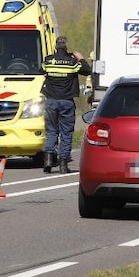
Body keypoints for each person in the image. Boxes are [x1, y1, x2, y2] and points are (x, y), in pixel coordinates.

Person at [41, 36, 92, 174]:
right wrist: (80, 58)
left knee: (51, 130)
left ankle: (48, 160)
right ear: (66, 47)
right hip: (66, 102)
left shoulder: (48, 60)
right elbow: (87, 70)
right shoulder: (72, 62)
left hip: (51, 101)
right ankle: (63, 164)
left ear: (56, 47)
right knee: (66, 132)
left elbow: (41, 70)